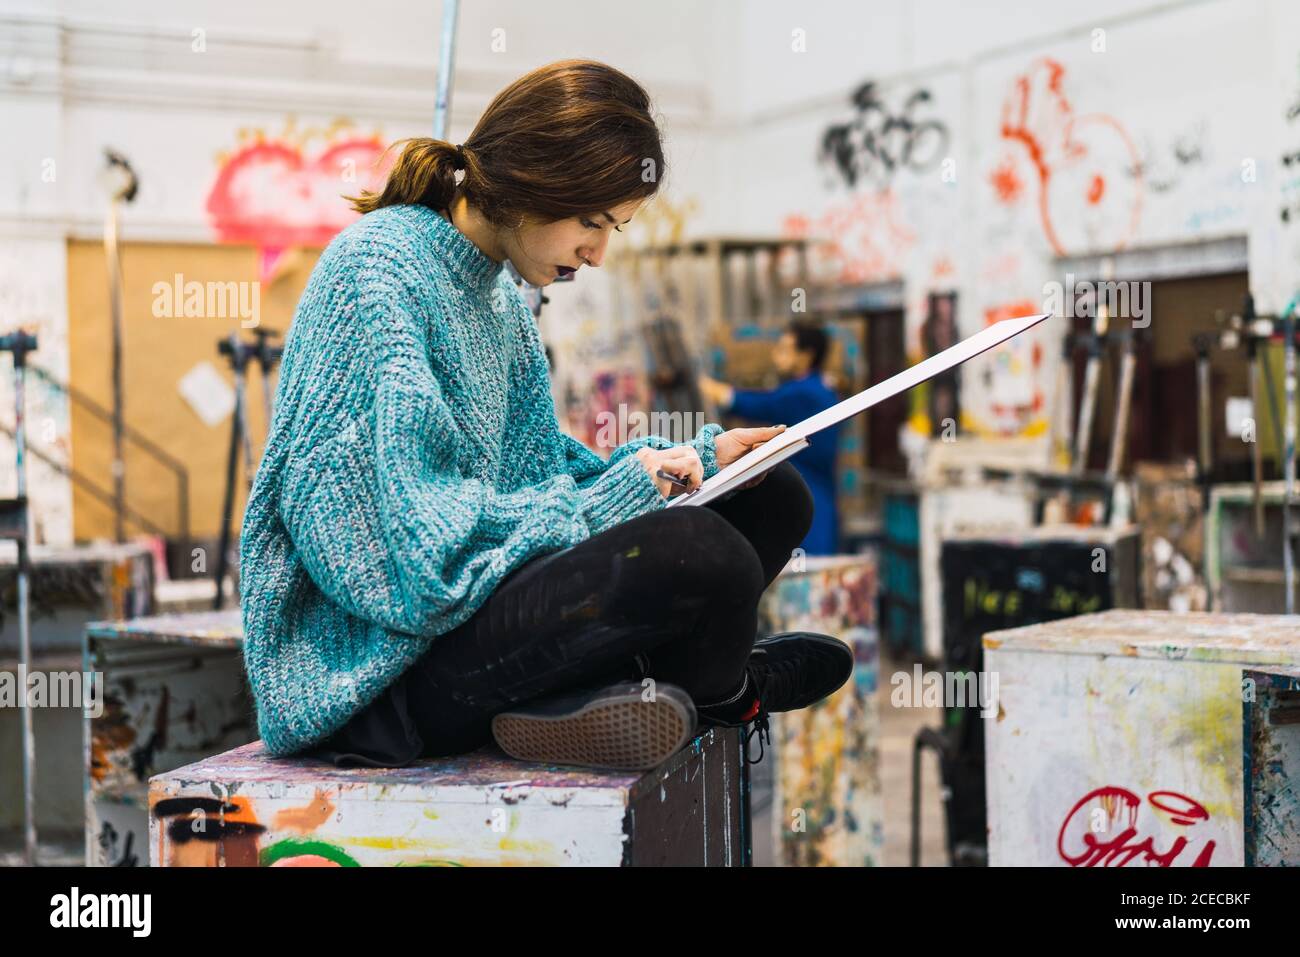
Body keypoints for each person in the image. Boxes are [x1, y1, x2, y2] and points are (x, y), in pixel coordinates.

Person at [239, 59, 852, 773]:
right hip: (385, 681)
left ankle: (633, 693)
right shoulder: (376, 271)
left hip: (460, 626)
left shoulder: (499, 298)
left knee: (772, 494)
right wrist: (629, 497)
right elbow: (408, 558)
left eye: (613, 227)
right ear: (532, 182)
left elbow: (545, 474)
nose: (597, 252)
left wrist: (700, 462)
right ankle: (726, 691)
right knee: (699, 552)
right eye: (591, 222)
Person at [699, 321, 842, 554]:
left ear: (806, 355)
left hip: (808, 496)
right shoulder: (819, 388)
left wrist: (706, 387)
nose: (776, 355)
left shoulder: (804, 393)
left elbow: (755, 404)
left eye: (785, 349)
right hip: (816, 496)